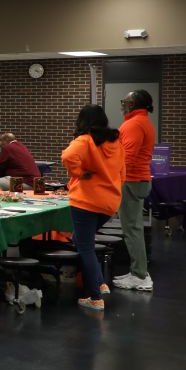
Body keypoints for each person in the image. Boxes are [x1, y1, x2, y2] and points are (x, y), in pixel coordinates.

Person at [61, 105, 126, 312]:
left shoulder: (85, 140)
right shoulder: (116, 142)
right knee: (80, 240)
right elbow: (122, 172)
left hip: (86, 202)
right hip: (110, 203)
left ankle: (95, 298)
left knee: (85, 247)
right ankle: (99, 282)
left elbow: (67, 156)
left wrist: (80, 173)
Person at [114, 90, 157, 292]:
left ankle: (140, 275)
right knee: (134, 228)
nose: (123, 103)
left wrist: (111, 175)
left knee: (132, 229)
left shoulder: (133, 124)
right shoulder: (142, 121)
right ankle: (137, 272)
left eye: (126, 100)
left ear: (134, 104)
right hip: (138, 179)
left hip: (131, 180)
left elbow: (127, 157)